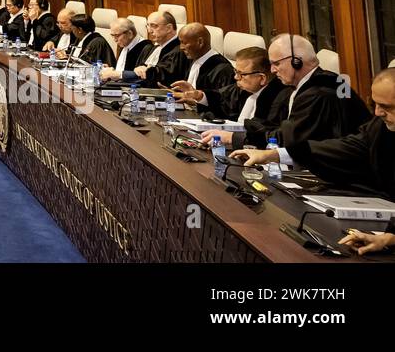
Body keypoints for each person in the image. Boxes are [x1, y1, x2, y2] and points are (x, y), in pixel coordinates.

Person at [232, 69, 394, 254]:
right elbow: (347, 148)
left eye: (386, 107)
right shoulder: (380, 126)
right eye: (375, 104)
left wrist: (389, 239)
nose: (377, 112)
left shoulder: (321, 94)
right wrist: (273, 154)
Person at [196, 47, 287, 147]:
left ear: (262, 78)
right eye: (236, 72)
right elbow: (223, 100)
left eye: (241, 74)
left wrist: (231, 137)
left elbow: (263, 137)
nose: (236, 77)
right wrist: (199, 95)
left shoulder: (277, 100)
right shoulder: (247, 89)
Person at [166, 23, 236, 105]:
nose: (181, 47)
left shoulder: (222, 69)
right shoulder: (193, 59)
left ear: (200, 42)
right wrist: (172, 91)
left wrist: (196, 102)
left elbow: (225, 105)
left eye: (184, 43)